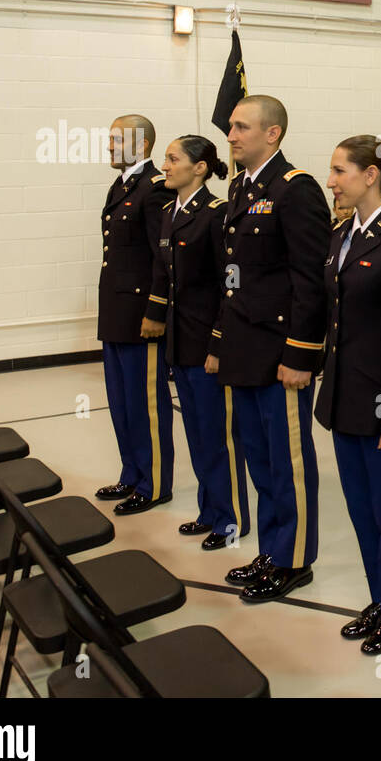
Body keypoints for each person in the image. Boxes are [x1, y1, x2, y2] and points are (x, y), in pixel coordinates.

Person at [217, 95, 330, 602]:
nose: (231, 135)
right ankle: (272, 548)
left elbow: (311, 279)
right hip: (245, 347)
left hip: (280, 352)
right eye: (231, 127)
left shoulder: (295, 189)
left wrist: (301, 354)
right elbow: (234, 278)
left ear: (273, 134)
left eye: (241, 127)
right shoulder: (242, 187)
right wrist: (220, 342)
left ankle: (295, 558)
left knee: (288, 461)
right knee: (260, 460)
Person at [314, 136, 381, 653]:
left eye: (339, 171)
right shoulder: (342, 234)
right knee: (361, 511)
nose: (331, 181)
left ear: (371, 176)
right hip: (344, 397)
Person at [146, 135, 249, 551]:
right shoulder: (171, 211)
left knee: (219, 436)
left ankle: (230, 519)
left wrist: (218, 343)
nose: (165, 167)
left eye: (173, 159)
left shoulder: (215, 213)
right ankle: (209, 510)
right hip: (180, 341)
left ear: (200, 168)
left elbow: (231, 284)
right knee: (197, 433)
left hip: (207, 344)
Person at [93, 114, 176, 516]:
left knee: (146, 404)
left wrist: (156, 311)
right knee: (121, 402)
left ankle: (155, 482)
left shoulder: (154, 189)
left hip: (141, 316)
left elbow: (163, 257)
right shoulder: (122, 185)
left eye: (115, 140)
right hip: (116, 313)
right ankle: (132, 473)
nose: (108, 146)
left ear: (141, 146)